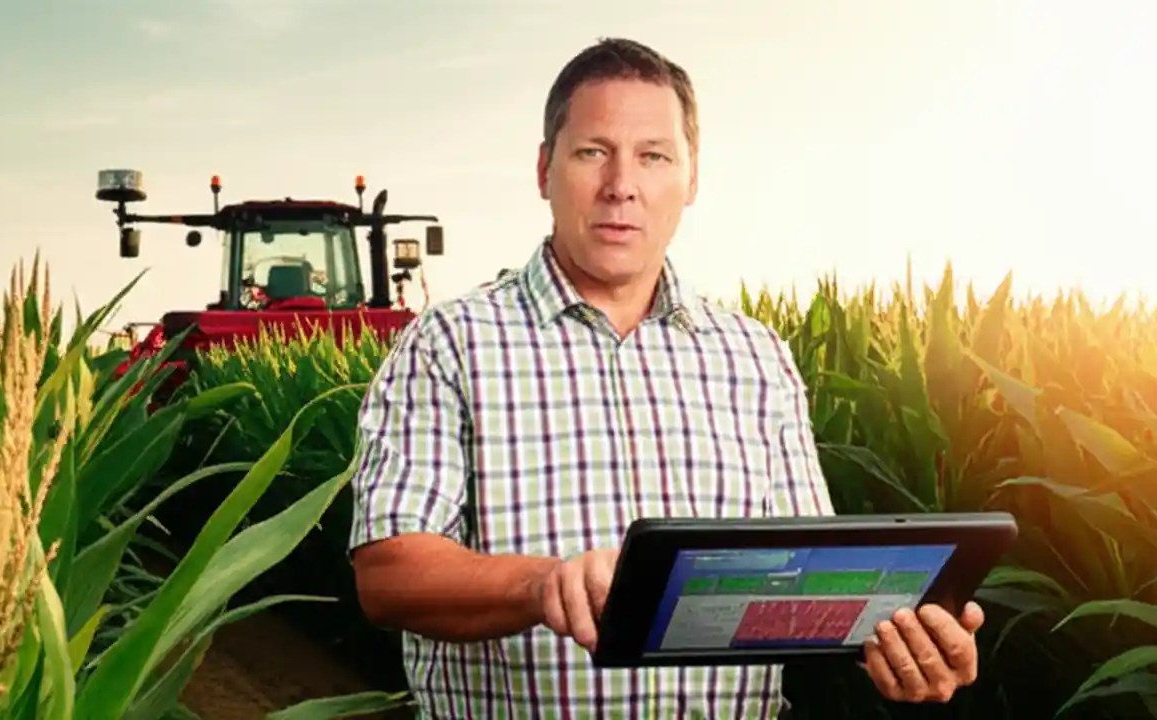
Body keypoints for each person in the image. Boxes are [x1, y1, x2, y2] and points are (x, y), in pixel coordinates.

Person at [347, 37, 984, 719]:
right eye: (593, 151)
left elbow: (809, 588)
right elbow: (389, 576)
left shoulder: (756, 357)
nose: (622, 184)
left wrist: (902, 644)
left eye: (653, 156)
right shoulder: (448, 344)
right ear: (544, 170)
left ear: (691, 178)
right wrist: (542, 585)